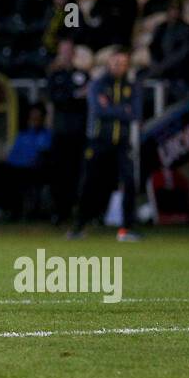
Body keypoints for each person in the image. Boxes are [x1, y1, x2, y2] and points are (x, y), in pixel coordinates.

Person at [69, 47, 141, 241]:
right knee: (89, 184)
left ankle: (127, 229)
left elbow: (135, 113)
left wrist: (112, 108)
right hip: (99, 142)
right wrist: (121, 110)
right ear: (109, 63)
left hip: (123, 144)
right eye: (116, 63)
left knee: (130, 183)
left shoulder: (132, 86)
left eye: (124, 64)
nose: (120, 67)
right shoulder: (98, 85)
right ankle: (79, 226)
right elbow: (100, 111)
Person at [45, 39, 90, 223]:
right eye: (62, 51)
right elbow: (56, 98)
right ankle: (59, 211)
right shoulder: (55, 76)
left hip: (79, 132)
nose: (66, 54)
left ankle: (79, 210)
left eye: (69, 50)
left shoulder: (82, 74)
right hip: (61, 132)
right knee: (59, 173)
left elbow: (90, 96)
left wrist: (75, 97)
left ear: (74, 53)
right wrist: (75, 95)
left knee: (79, 172)